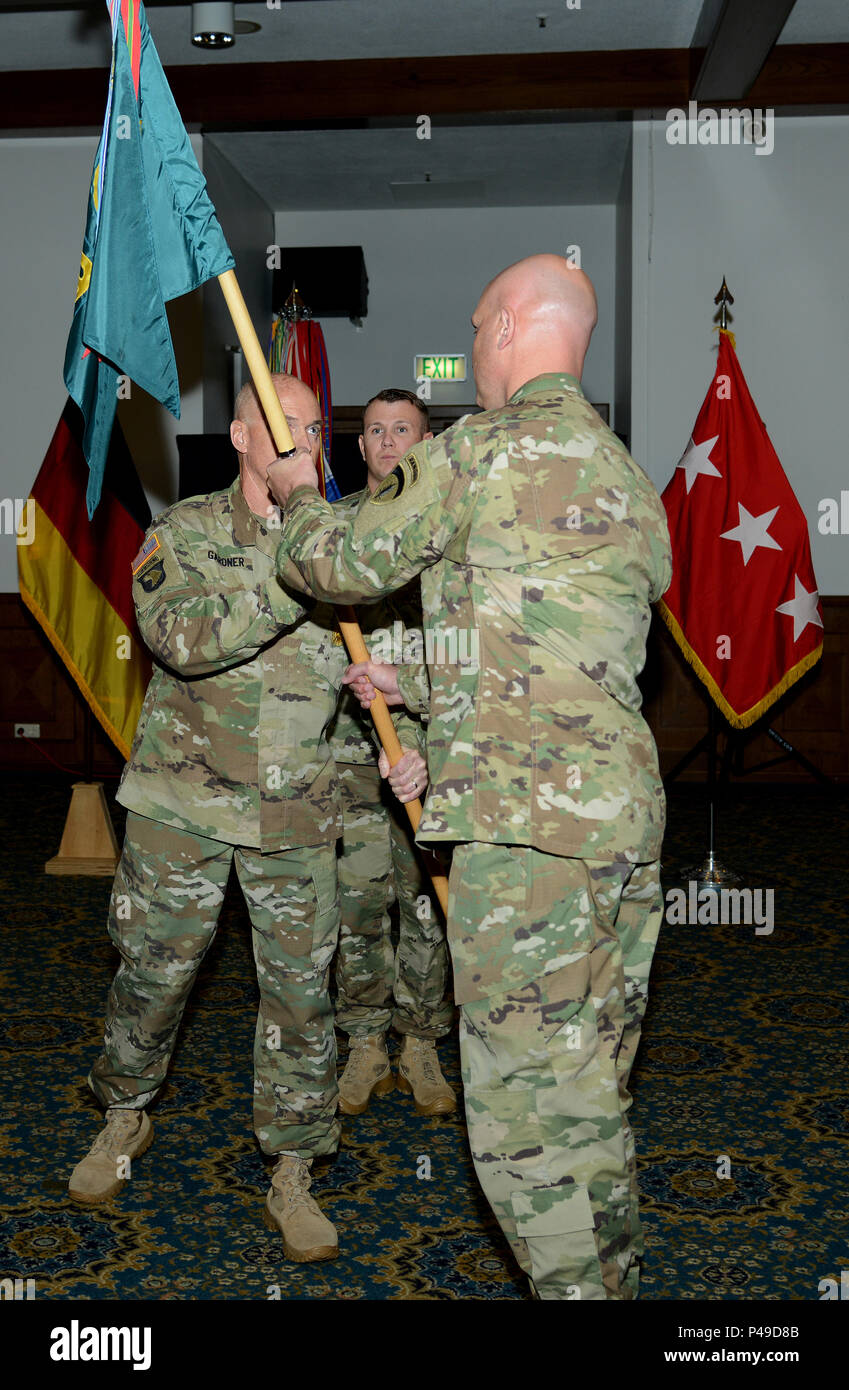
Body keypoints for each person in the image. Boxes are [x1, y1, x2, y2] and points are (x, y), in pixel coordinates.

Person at [265, 255, 673, 1300]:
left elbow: (339, 564)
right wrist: (425, 681)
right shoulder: (628, 474)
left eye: (476, 331)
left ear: (501, 330)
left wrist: (295, 488)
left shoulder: (479, 452)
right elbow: (551, 654)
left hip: (527, 837)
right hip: (619, 827)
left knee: (531, 1123)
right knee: (590, 1088)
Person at [69, 374, 353, 1264]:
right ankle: (123, 1116)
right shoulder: (182, 533)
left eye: (312, 430)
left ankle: (294, 1166)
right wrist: (294, 574)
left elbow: (392, 662)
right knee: (153, 976)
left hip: (298, 808)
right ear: (239, 436)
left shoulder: (348, 545)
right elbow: (181, 640)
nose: (302, 446)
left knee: (303, 1000)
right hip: (182, 806)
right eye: (282, 430)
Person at [329, 389, 455, 1118]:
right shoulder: (335, 532)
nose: (385, 442)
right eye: (373, 430)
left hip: (435, 744)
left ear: (424, 440)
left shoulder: (445, 531)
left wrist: (433, 738)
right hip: (349, 749)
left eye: (400, 429)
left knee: (427, 902)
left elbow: (474, 655)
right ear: (360, 445)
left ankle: (420, 1041)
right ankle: (366, 1041)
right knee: (359, 902)